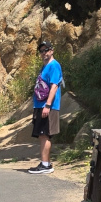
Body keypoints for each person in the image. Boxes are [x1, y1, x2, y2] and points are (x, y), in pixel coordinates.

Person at [28, 40, 63, 173]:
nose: (44, 53)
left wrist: (47, 105)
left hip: (47, 106)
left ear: (51, 50)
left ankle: (45, 165)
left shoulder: (54, 66)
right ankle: (45, 163)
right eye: (41, 51)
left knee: (44, 134)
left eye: (46, 50)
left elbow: (54, 86)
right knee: (42, 135)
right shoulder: (45, 66)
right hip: (40, 105)